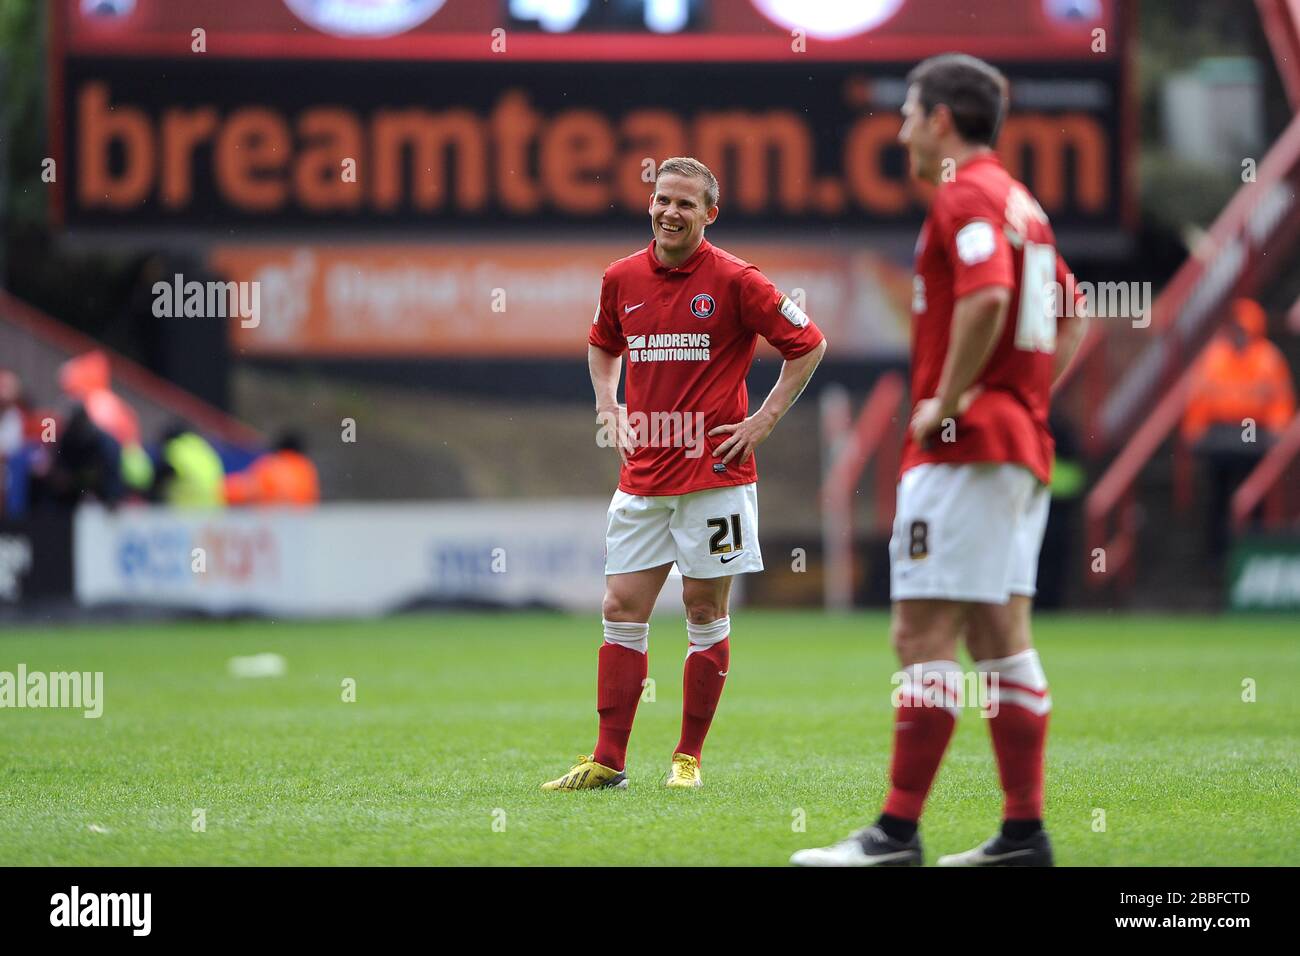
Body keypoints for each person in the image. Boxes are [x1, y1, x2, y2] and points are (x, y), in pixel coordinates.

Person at [792, 54, 1088, 866]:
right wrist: (1022, 396)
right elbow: (1074, 311)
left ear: (943, 121)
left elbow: (991, 297)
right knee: (1000, 635)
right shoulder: (1021, 202)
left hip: (966, 453)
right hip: (1016, 447)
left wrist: (953, 400)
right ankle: (1023, 835)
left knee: (919, 630)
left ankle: (894, 835)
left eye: (909, 112)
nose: (900, 129)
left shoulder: (965, 194)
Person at [541, 157, 827, 791]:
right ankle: (608, 760)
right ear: (651, 204)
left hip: (716, 478)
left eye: (686, 204)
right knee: (620, 607)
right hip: (644, 478)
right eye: (662, 199)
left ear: (709, 215)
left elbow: (809, 342)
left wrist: (764, 419)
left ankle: (687, 758)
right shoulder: (621, 278)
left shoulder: (736, 280)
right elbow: (601, 341)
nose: (670, 212)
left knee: (702, 611)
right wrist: (606, 403)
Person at [1180, 298, 1296, 555]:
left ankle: (1254, 552)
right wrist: (1194, 431)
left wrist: (1276, 433)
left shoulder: (1268, 359)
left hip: (1255, 438)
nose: (1239, 334)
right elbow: (1199, 399)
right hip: (1220, 439)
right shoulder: (1214, 358)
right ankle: (1217, 555)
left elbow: (1281, 401)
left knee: (1256, 502)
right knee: (1218, 500)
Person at [224, 432, 321, 506]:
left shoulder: (272, 466)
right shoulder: (306, 469)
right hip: (303, 526)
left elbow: (243, 489)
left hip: (272, 526)